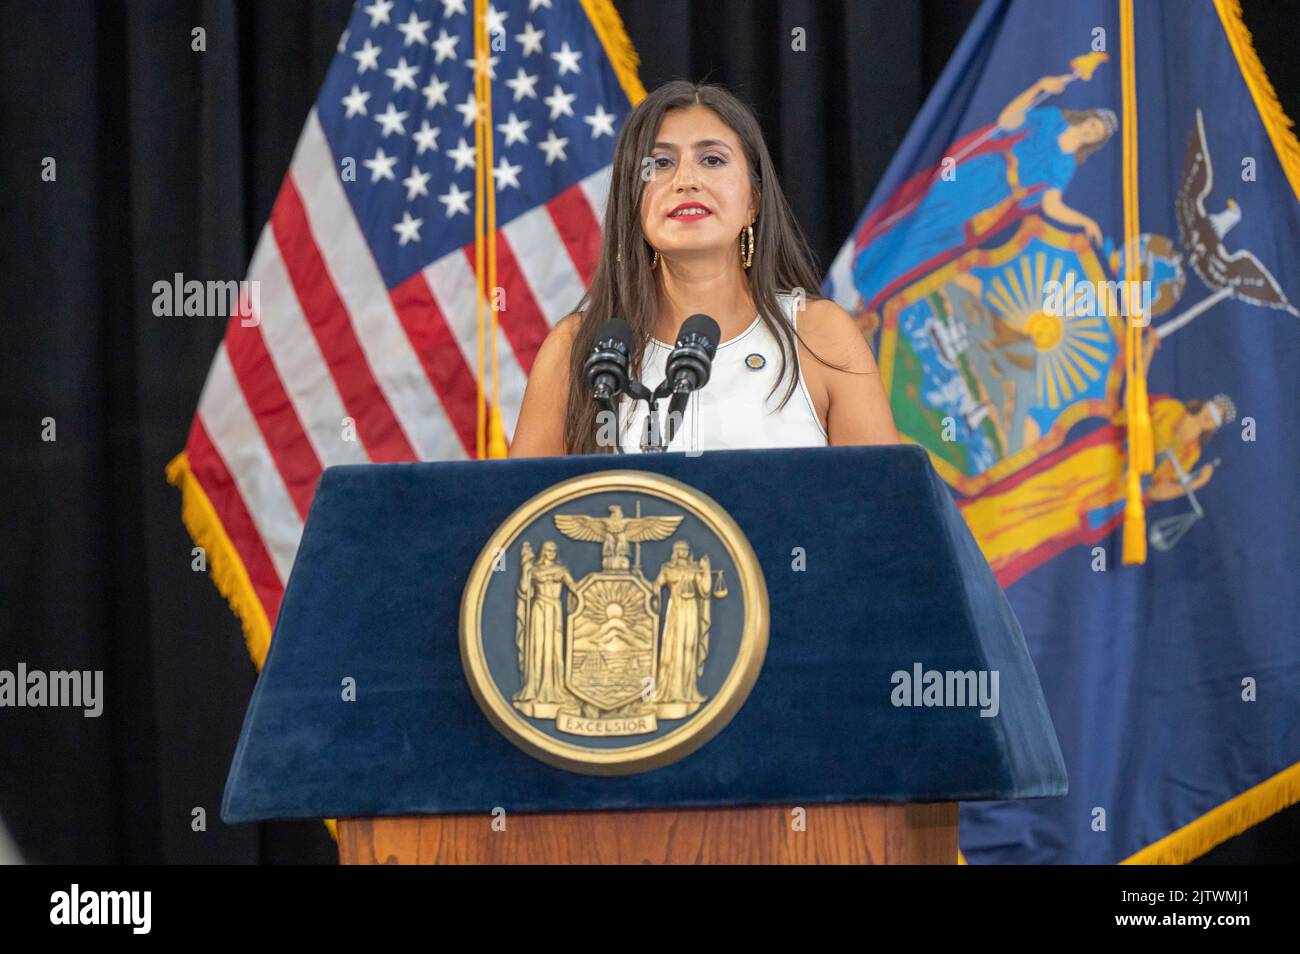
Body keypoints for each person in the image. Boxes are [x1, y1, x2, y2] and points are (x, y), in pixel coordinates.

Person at [508, 81, 899, 457]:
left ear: (754, 202)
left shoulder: (820, 335)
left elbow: (886, 508)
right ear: (631, 201)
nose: (685, 181)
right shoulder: (577, 349)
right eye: (660, 163)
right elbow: (523, 516)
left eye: (712, 160)